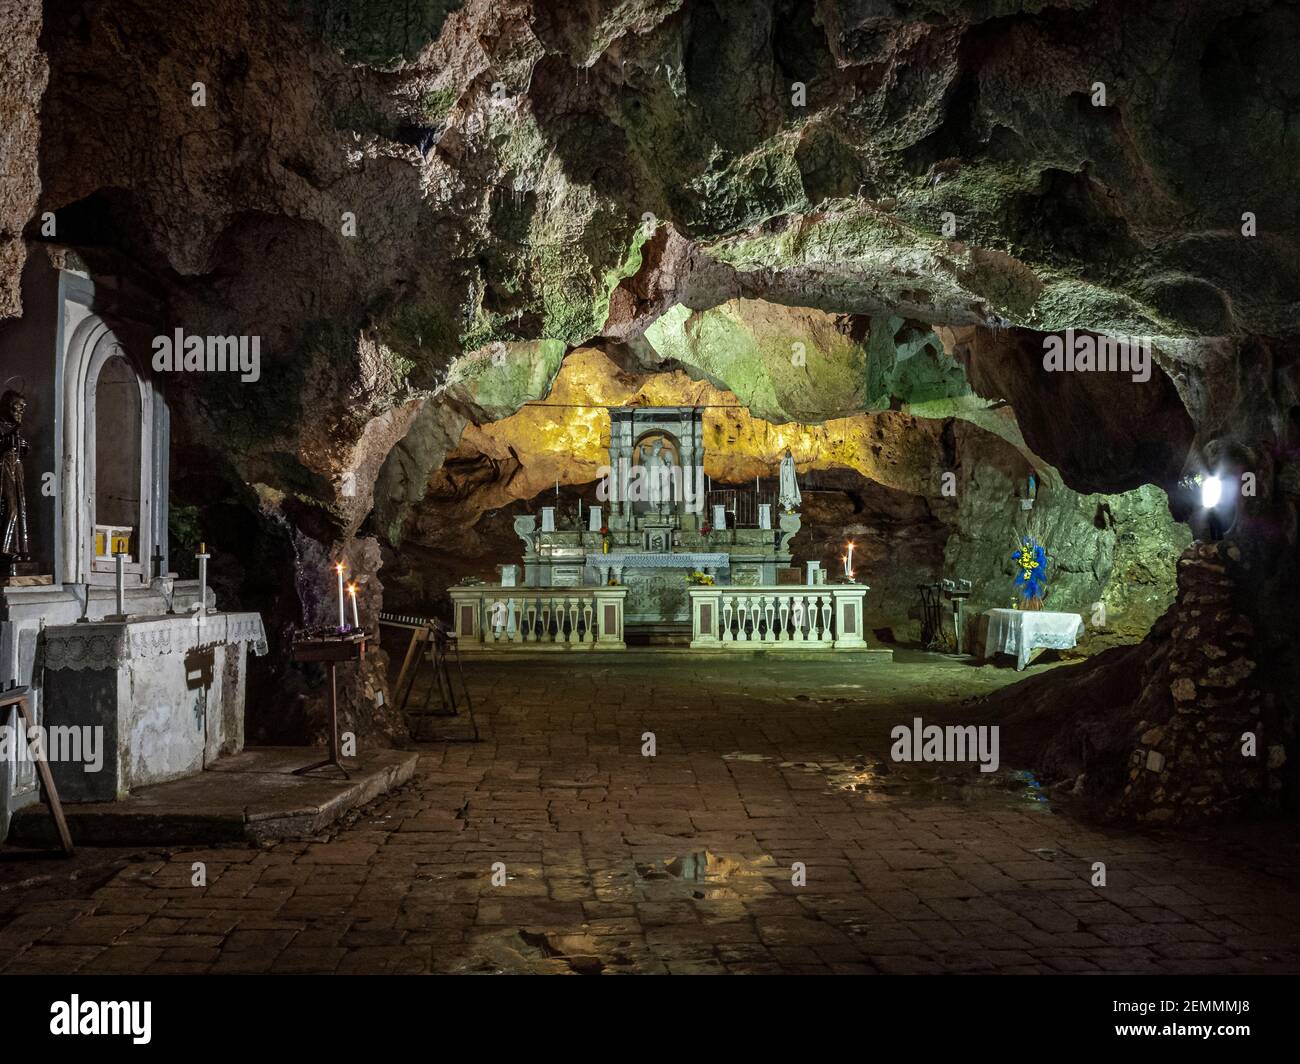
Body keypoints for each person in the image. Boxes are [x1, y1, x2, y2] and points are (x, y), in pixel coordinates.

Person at [0, 390, 31, 571]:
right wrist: (6, 443)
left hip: (15, 471)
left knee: (19, 510)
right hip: (3, 470)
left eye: (23, 408)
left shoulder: (15, 429)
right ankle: (3, 550)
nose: (20, 412)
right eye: (17, 407)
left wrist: (22, 447)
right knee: (10, 508)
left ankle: (16, 549)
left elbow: (18, 449)